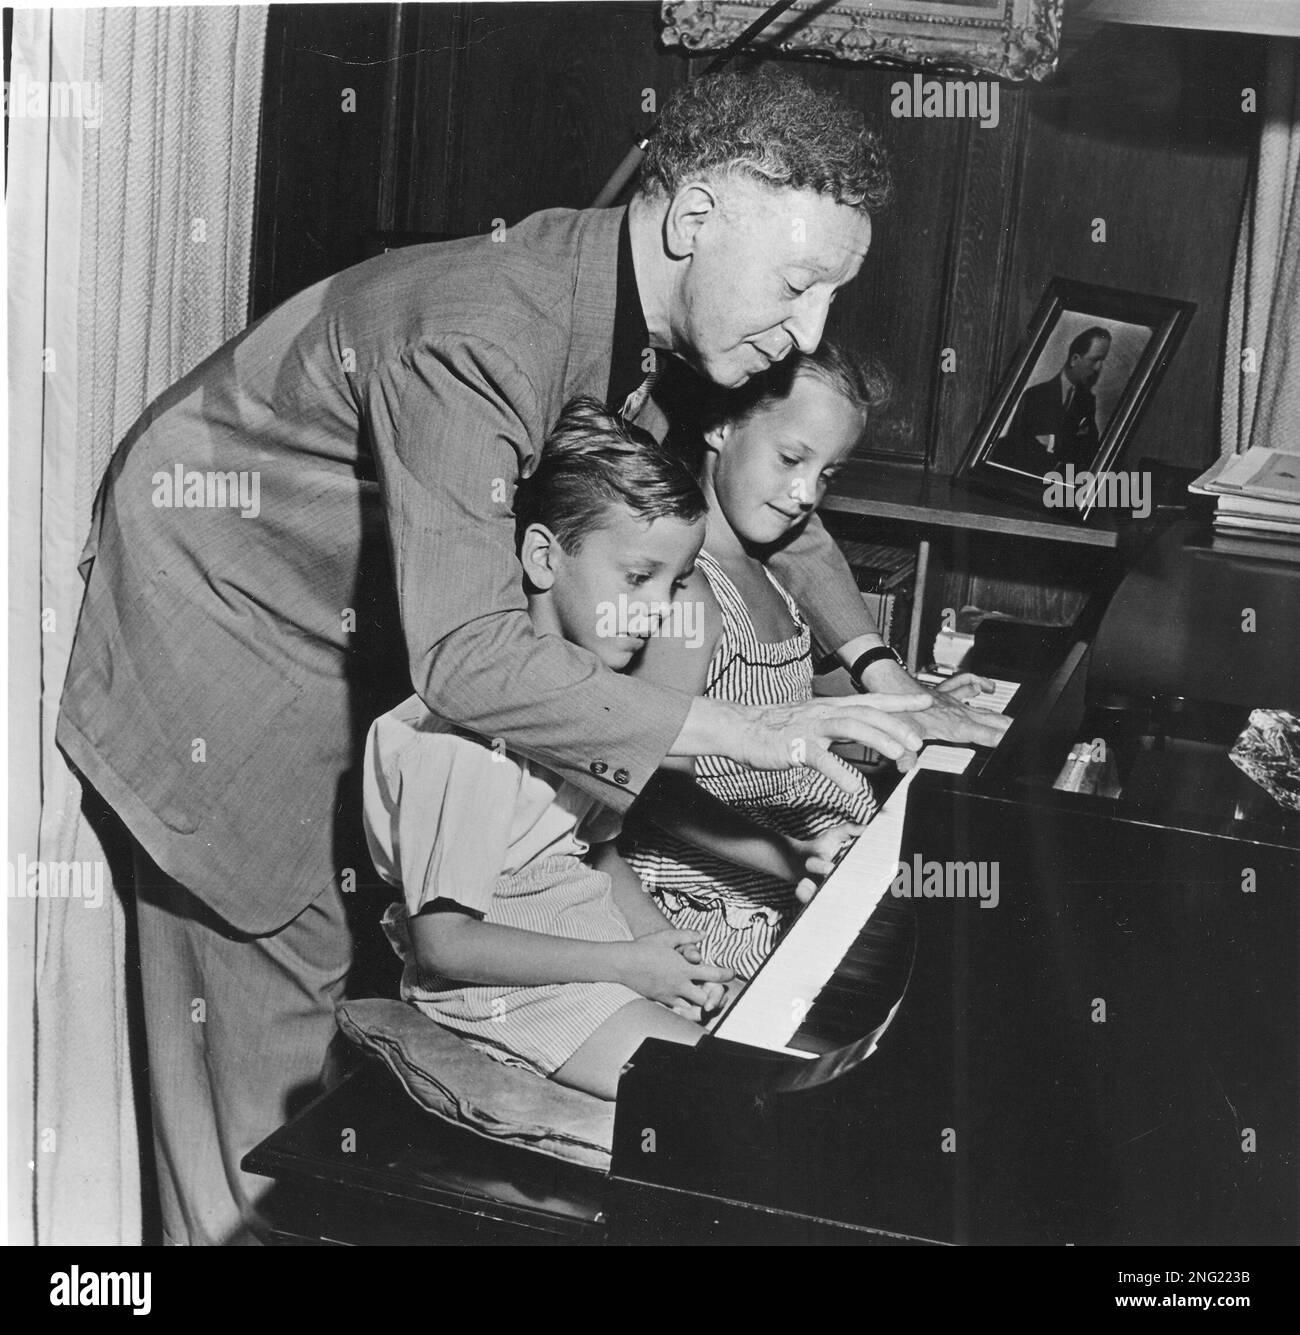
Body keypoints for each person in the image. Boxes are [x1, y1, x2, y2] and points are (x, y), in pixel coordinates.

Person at [56, 67, 997, 1244]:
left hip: (359, 641)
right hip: (222, 645)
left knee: (364, 1030)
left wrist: (871, 664)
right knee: (267, 1101)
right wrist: (749, 731)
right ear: (694, 213)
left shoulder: (661, 313)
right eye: (798, 284)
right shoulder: (480, 328)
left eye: (829, 297)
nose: (808, 333)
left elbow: (766, 504)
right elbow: (465, 655)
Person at [364, 400, 745, 1100]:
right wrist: (625, 966)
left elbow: (595, 853)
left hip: (584, 936)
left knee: (747, 1063)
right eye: (637, 577)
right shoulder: (471, 737)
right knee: (725, 1098)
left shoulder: (586, 703)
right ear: (545, 557)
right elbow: (443, 944)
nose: (658, 609)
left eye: (674, 582)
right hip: (504, 981)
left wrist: (681, 959)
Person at [620, 344, 895, 981]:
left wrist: (897, 704)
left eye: (829, 473)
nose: (806, 494)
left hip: (810, 855)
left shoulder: (767, 569)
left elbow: (779, 694)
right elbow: (647, 785)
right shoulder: (688, 591)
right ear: (719, 426)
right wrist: (793, 854)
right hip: (724, 894)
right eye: (792, 459)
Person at [994, 327, 1112, 476]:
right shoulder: (1034, 396)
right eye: (1094, 359)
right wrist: (1070, 443)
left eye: (1102, 360)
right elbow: (1016, 450)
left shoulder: (1087, 401)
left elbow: (1090, 451)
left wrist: (1053, 442)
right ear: (1074, 359)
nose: (1099, 368)